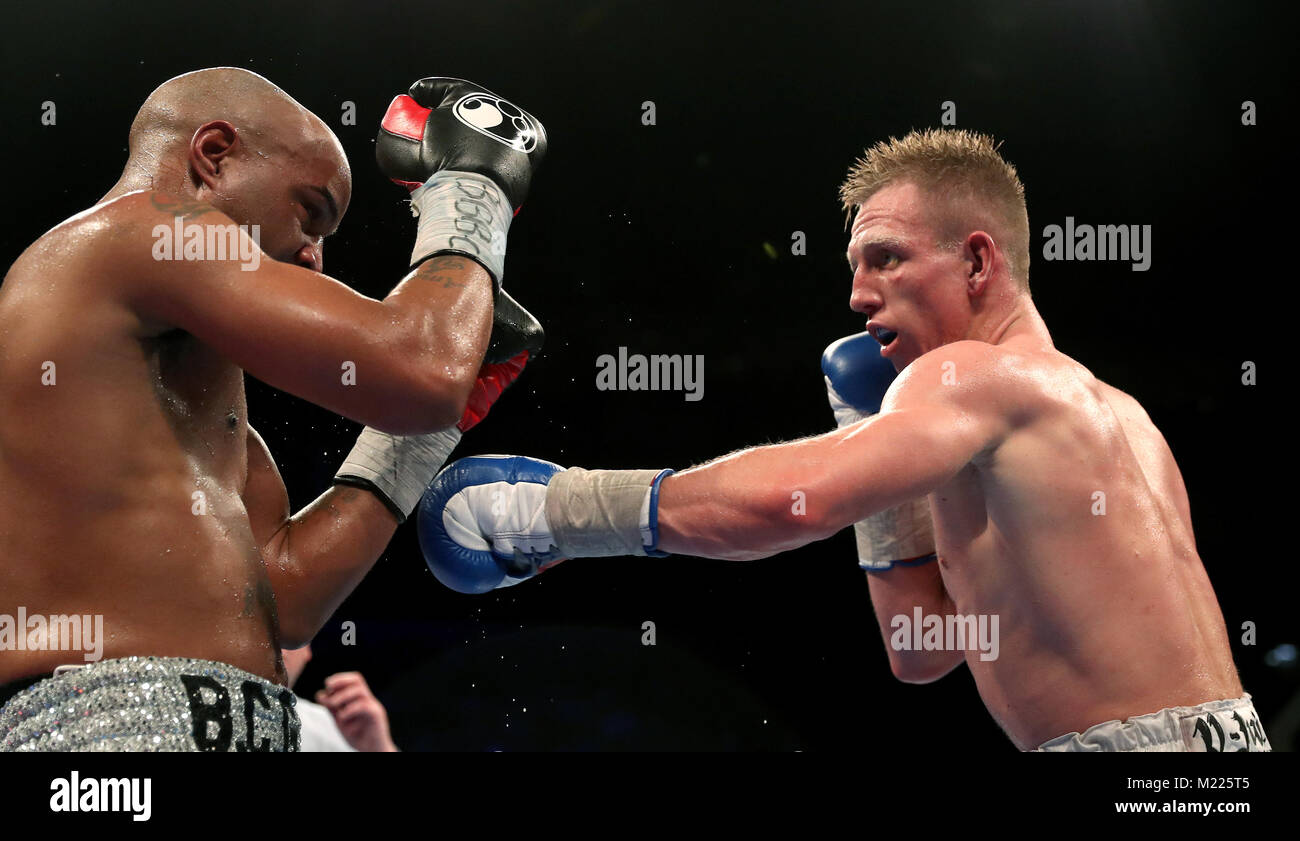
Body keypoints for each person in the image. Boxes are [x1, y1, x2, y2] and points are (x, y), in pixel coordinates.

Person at [421, 128, 1269, 752]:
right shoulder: (1123, 416)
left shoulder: (975, 376)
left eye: (887, 259)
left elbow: (806, 498)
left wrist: (562, 509)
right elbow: (921, 648)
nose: (859, 296)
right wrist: (879, 450)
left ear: (979, 262)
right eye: (853, 268)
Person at [0, 67, 544, 751]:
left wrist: (425, 435)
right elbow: (421, 365)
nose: (315, 258)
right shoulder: (136, 233)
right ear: (214, 154)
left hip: (245, 726)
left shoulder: (196, 397)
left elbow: (283, 602)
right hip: (109, 734)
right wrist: (474, 188)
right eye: (309, 212)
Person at [282, 645, 397, 752]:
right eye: (265, 625)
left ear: (307, 649)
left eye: (287, 634)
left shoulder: (338, 728)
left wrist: (379, 749)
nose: (274, 642)